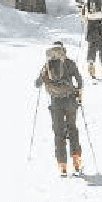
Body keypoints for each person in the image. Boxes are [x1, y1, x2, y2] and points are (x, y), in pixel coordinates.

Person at [33, 42, 84, 175]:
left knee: (58, 133)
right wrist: (78, 93)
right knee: (72, 128)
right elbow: (80, 81)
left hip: (55, 103)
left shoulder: (47, 65)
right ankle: (76, 160)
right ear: (63, 50)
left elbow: (37, 84)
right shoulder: (70, 63)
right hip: (70, 100)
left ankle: (62, 165)